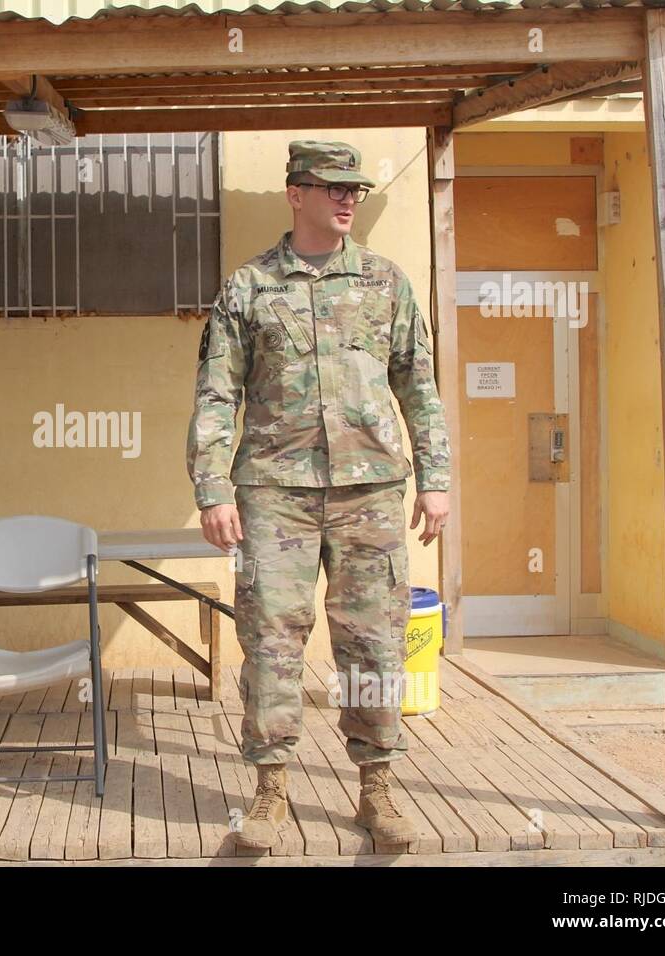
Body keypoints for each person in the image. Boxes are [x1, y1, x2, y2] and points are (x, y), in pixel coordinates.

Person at [186, 142, 451, 850]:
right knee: (271, 638)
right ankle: (271, 791)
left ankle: (377, 790)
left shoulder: (387, 284)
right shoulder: (249, 289)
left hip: (370, 489)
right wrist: (212, 488)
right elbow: (217, 395)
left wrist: (437, 479)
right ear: (294, 193)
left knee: (374, 641)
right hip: (275, 491)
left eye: (355, 190)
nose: (347, 200)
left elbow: (418, 387)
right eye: (331, 187)